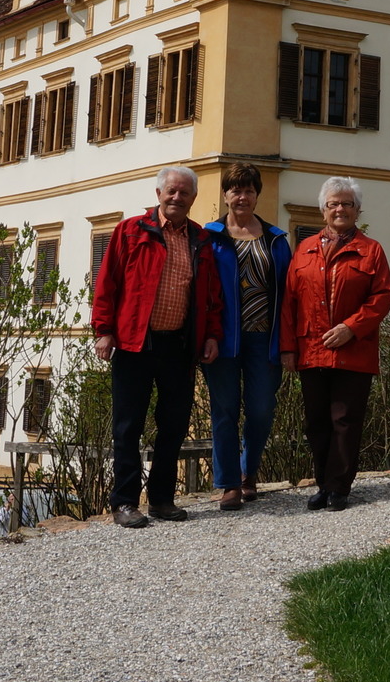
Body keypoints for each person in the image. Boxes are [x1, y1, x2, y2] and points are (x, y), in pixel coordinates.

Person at [92, 166, 224, 528]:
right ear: (159, 194)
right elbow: (107, 283)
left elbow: (211, 296)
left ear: (193, 199)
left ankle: (162, 500)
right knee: (127, 426)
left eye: (184, 193)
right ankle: (124, 503)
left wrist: (211, 335)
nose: (177, 198)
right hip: (135, 343)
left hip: (179, 345)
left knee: (173, 425)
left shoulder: (200, 240)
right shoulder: (131, 231)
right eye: (171, 192)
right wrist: (104, 330)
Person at [280, 176, 390, 511]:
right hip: (311, 349)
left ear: (357, 210)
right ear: (323, 210)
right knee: (316, 421)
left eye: (346, 203)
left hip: (353, 350)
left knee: (345, 420)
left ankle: (339, 486)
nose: (340, 209)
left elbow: (382, 297)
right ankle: (322, 483)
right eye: (333, 204)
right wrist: (288, 347)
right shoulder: (304, 250)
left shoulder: (371, 251)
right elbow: (289, 303)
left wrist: (350, 327)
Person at [202, 162, 291, 511]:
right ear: (225, 195)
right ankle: (228, 484)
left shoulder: (276, 240)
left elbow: (289, 295)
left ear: (257, 195)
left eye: (249, 190)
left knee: (261, 410)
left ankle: (248, 472)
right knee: (224, 411)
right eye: (236, 189)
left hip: (264, 339)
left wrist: (287, 344)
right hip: (222, 340)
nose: (242, 196)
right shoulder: (209, 238)